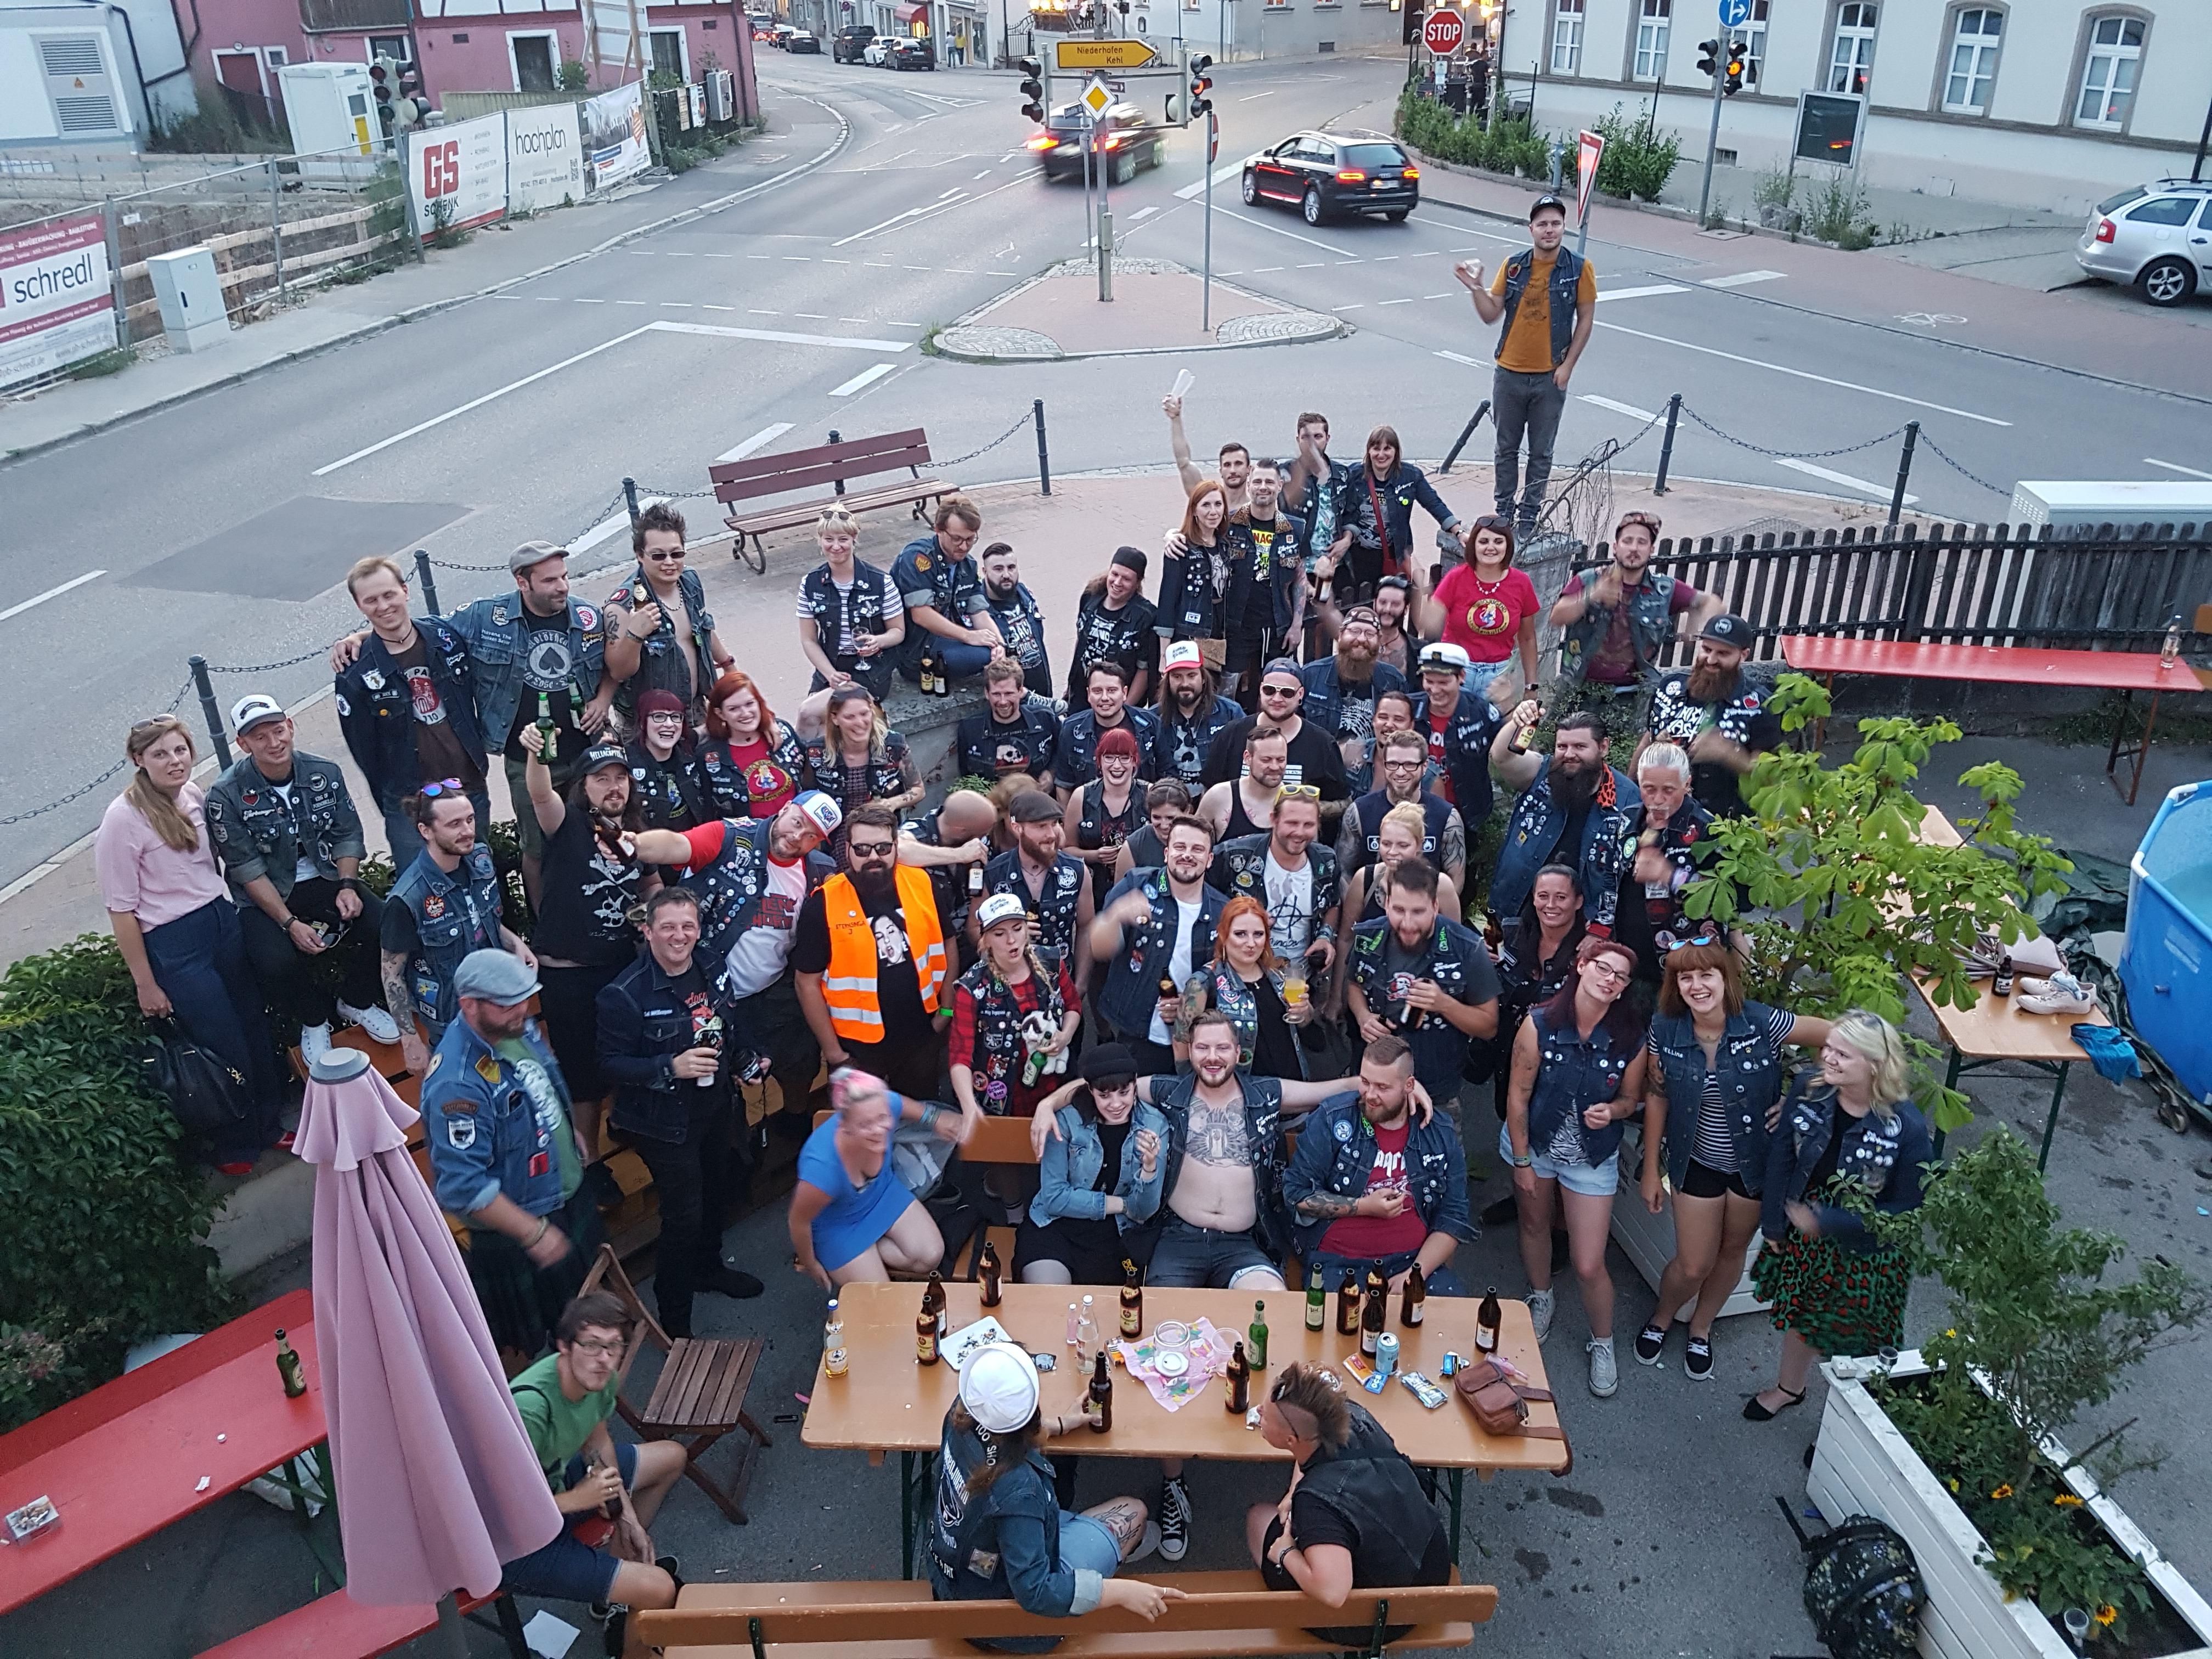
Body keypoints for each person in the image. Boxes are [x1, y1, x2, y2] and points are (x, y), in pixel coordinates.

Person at [98, 715, 286, 1173]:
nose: (174, 761)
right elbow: (121, 910)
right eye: (160, 754)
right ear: (139, 760)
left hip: (220, 923)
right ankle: (235, 1143)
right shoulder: (122, 819)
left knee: (253, 1030)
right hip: (174, 943)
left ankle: (269, 1124)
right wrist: (146, 983)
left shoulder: (195, 794)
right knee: (220, 1044)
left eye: (180, 750)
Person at [1638, 938, 1831, 1383]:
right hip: (1696, 1160)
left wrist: (1804, 1097)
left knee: (1732, 1252)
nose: (1697, 985)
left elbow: (1838, 1039)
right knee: (1693, 1263)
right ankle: (1663, 1317)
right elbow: (1658, 1096)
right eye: (1686, 977)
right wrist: (1650, 1168)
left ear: (1725, 979)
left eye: (1707, 974)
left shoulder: (1763, 1022)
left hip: (1756, 1166)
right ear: (1676, 985)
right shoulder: (1665, 1029)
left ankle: (1701, 1328)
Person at [1747, 1012, 1932, 1421]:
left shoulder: (1907, 1128)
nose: (1827, 1058)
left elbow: (1907, 1211)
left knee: (1855, 1345)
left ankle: (1840, 1427)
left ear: (1875, 1065)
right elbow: (1781, 1155)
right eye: (1829, 1047)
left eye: (1842, 1054)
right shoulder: (1808, 1088)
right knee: (1802, 1318)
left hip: (1866, 1250)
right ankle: (1789, 1389)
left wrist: (1829, 1222)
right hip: (1808, 1228)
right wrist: (1774, 1222)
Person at [927, 1341, 1177, 1643]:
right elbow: (1035, 1591)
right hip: (1001, 1621)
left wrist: (1059, 1425)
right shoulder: (1019, 1491)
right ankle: (1106, 1551)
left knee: (1060, 1524)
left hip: (953, 1580)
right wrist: (1119, 1592)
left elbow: (996, 1430)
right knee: (1134, 1513)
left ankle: (1083, 1535)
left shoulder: (962, 1413)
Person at [596, 889, 763, 1335]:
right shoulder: (623, 994)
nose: (679, 936)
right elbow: (609, 1064)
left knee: (717, 1189)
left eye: (688, 926)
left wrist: (748, 1057)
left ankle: (709, 1269)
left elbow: (731, 1018)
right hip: (661, 1121)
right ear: (647, 931)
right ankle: (675, 1324)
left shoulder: (712, 964)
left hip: (715, 1105)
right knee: (684, 1215)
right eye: (668, 926)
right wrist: (670, 1067)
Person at [634, 793, 843, 1139]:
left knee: (799, 1060)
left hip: (770, 990)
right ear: (786, 808)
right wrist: (634, 846)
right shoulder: (732, 836)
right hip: (701, 991)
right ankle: (731, 1145)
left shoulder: (819, 871)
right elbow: (677, 845)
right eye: (798, 822)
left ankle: (794, 1119)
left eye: (812, 835)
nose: (798, 836)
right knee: (713, 1081)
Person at [420, 948, 596, 1357]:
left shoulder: (516, 1026)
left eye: (524, 997)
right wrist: (533, 1233)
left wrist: (566, 1135)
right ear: (470, 1004)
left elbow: (542, 1085)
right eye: (508, 1004)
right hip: (523, 1231)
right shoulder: (456, 1085)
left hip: (565, 1198)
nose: (522, 1009)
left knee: (588, 1322)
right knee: (540, 1350)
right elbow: (463, 1188)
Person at [204, 694, 393, 1067]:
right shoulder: (226, 794)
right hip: (268, 893)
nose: (274, 743)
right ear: (243, 744)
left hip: (325, 877)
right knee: (273, 962)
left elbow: (348, 835)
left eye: (278, 731)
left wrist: (348, 886)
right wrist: (288, 923)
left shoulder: (324, 772)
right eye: (260, 738)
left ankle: (356, 999)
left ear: (290, 726)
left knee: (388, 924)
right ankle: (314, 1019)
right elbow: (245, 868)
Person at [1501, 935, 1649, 1398]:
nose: (1611, 980)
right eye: (1603, 969)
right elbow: (1518, 1096)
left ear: (1625, 989)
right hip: (1538, 1144)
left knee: (1588, 1263)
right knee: (1534, 1226)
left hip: (1591, 1156)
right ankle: (1541, 1295)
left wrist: (1615, 1112)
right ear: (1582, 966)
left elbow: (1631, 1098)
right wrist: (1522, 1161)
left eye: (1620, 977)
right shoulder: (1540, 1023)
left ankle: (1602, 1341)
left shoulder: (1631, 1038)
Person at [501, 1293, 684, 1632]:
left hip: (556, 1488)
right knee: (661, 1589)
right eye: (591, 1345)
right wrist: (578, 1500)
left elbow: (596, 1440)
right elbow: (500, 1510)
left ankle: (611, 1587)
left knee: (673, 1458)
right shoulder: (530, 1409)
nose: (603, 1359)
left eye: (614, 1347)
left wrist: (625, 1515)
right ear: (565, 1347)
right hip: (516, 1544)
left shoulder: (599, 1376)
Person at [524, 736, 648, 1212]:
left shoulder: (636, 830)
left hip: (618, 966)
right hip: (569, 975)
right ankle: (590, 1165)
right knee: (583, 1077)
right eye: (602, 779)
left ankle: (625, 1127)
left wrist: (652, 915)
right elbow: (540, 794)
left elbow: (651, 883)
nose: (613, 787)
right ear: (584, 786)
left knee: (626, 1055)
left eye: (620, 777)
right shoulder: (568, 823)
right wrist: (537, 755)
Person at [1248, 1363, 1452, 1646]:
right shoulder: (1348, 1415)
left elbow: (1333, 1592)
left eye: (1265, 1416)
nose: (1258, 1412)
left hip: (1386, 1616)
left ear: (1291, 1440)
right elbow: (1308, 1452)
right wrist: (1293, 1491)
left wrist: (1286, 1554)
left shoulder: (1316, 1503)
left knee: (1259, 1518)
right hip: (1432, 1563)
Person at [1284, 1032, 1471, 1299]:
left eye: (1383, 1088)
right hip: (1339, 1261)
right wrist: (1363, 1207)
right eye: (1365, 1082)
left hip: (1414, 1261)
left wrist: (1416, 1273)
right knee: (1342, 1331)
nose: (1370, 1095)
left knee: (1452, 1329)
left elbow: (1454, 1215)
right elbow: (1296, 1193)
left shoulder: (1437, 1130)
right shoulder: (1332, 1119)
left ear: (1409, 1086)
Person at [1455, 194, 1598, 541]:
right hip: (1509, 373)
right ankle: (1504, 511)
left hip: (1550, 377)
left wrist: (1567, 368)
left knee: (1541, 451)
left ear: (1564, 228)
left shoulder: (1579, 269)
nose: (1549, 230)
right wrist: (1475, 286)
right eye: (1543, 224)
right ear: (1531, 229)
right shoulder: (1515, 266)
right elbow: (1491, 314)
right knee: (1506, 448)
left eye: (1556, 224)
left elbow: (1586, 319)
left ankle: (1530, 515)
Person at [332, 555, 490, 861]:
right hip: (409, 804)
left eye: (389, 594)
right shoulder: (355, 674)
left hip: (467, 788)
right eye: (372, 600)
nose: (383, 606)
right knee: (422, 893)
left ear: (405, 590)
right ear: (359, 605)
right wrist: (393, 801)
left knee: (479, 875)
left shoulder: (447, 638)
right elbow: (365, 752)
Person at [793, 804, 950, 1103]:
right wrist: (834, 1053)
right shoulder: (822, 904)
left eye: (882, 847)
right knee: (862, 1130)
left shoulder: (923, 883)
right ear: (848, 850)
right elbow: (806, 983)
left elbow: (949, 944)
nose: (874, 857)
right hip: (858, 1049)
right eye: (863, 849)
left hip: (922, 1034)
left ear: (895, 847)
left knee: (921, 1123)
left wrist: (946, 1013)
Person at [382, 786, 533, 1077]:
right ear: (426, 830)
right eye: (454, 824)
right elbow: (391, 974)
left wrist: (515, 944)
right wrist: (409, 1038)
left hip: (502, 1006)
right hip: (454, 1024)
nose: (467, 831)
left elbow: (483, 920)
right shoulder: (408, 899)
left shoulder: (481, 859)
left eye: (470, 820)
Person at [1345, 858, 1498, 1115]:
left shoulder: (1467, 948)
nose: (1407, 923)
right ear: (1386, 904)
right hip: (1374, 1088)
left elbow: (1489, 1026)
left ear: (1435, 906)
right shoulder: (1367, 937)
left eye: (1418, 912)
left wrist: (1444, 1004)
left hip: (1437, 1091)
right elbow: (1353, 984)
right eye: (1399, 910)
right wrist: (1363, 1016)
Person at [789, 1068, 956, 1287]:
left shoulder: (883, 1104)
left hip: (883, 1194)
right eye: (865, 1124)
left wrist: (936, 1119)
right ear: (845, 1126)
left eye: (882, 1118)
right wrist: (811, 1264)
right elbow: (798, 1220)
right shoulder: (822, 1168)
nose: (879, 1130)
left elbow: (901, 1104)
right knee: (880, 1299)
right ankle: (856, 1256)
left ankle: (869, 1253)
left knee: (930, 1256)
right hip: (839, 1225)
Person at [1089, 815, 1227, 1073]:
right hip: (1133, 1028)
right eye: (1180, 847)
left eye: (1198, 849)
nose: (1187, 855)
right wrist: (1115, 915)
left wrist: (1189, 1004)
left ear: (1209, 860)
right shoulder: (1137, 883)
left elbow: (1224, 980)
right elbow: (1099, 949)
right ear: (1166, 853)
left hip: (1191, 1036)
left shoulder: (1223, 912)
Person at [1489, 706, 1641, 936]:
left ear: (1603, 747)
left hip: (1583, 927)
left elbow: (1623, 880)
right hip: (1515, 911)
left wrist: (1600, 929)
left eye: (1580, 746)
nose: (1569, 754)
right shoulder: (1541, 771)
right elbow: (1502, 756)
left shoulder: (1628, 800)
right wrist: (1518, 721)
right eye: (1562, 746)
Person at [1020, 1046, 1167, 1284]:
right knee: (1049, 1299)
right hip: (1055, 1227)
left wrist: (1150, 1169)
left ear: (1135, 1085)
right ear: (1090, 1091)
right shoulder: (1067, 1121)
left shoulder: (1153, 1124)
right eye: (1104, 1095)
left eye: (1124, 1092)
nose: (1116, 1104)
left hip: (1113, 1235)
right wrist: (1121, 1204)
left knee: (1106, 1307)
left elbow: (1144, 1211)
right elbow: (1054, 1198)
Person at [1549, 511, 1717, 707]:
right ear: (1615, 547)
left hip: (1633, 695)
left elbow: (1713, 603)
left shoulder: (1663, 590)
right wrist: (1592, 596)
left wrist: (1695, 620)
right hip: (1579, 690)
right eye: (1627, 541)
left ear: (1651, 549)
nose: (1634, 548)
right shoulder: (1590, 580)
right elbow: (1557, 617)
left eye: (1642, 542)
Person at [951, 891, 1083, 1125]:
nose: (1011, 940)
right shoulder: (972, 988)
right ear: (985, 940)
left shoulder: (1052, 962)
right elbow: (960, 1055)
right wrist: (969, 1104)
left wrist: (1065, 1036)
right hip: (1001, 1093)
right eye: (1000, 934)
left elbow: (1073, 1005)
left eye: (1017, 929)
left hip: (1052, 1082)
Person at [1638, 612, 1781, 819]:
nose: (1711, 660)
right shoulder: (1670, 687)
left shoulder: (1760, 705)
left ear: (1744, 655)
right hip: (1661, 812)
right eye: (1706, 650)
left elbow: (1769, 778)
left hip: (1722, 824)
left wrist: (1728, 754)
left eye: (1723, 654)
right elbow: (1645, 743)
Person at [1613, 743, 1730, 996]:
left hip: (1688, 966)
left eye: (1668, 790)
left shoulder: (1708, 829)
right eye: (1649, 789)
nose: (1658, 799)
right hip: (1629, 960)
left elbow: (1730, 899)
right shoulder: (1627, 820)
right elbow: (1604, 879)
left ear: (1687, 784)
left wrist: (1670, 875)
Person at [605, 505, 731, 734]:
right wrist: (635, 635)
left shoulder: (690, 581)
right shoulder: (622, 607)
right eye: (659, 555)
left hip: (696, 710)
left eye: (677, 554)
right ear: (640, 555)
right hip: (649, 725)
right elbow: (619, 672)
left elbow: (704, 627)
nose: (669, 562)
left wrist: (730, 668)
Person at [1320, 425, 1463, 616]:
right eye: (1376, 448)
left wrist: (1458, 532)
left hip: (1393, 555)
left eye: (1387, 448)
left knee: (1390, 609)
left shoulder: (1410, 477)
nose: (1381, 454)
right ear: (1368, 451)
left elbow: (1434, 504)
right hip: (1358, 555)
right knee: (1357, 607)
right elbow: (1341, 510)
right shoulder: (1355, 475)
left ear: (1396, 451)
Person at [1209, 783, 1341, 982]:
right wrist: (1244, 918)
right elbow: (1202, 897)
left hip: (1300, 981)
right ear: (1273, 820)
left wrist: (1325, 936)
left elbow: (1333, 903)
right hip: (1242, 979)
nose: (1299, 832)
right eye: (1292, 823)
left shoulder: (1326, 860)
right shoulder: (1234, 855)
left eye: (1308, 825)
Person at [1190, 895, 1314, 1081]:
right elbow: (1183, 1044)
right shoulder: (1204, 982)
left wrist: (1305, 1012)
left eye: (1258, 934)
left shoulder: (1278, 974)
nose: (1251, 943)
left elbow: (1305, 1028)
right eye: (1240, 934)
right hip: (1242, 1096)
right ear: (1224, 935)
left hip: (1294, 1090)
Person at [975, 791, 1094, 982]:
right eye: (1041, 826)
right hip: (1008, 985)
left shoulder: (1077, 871)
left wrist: (1080, 984)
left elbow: (1087, 927)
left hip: (1062, 982)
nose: (1051, 834)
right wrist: (1005, 937)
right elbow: (974, 927)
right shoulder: (994, 873)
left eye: (1055, 824)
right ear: (1017, 828)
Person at [1424, 516, 1539, 710]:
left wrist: (1531, 686)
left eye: (1498, 542)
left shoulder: (1521, 583)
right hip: (1457, 670)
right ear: (1473, 546)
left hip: (1498, 676)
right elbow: (1429, 623)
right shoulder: (1456, 578)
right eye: (1484, 542)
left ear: (1508, 546)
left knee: (1495, 735)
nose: (1491, 548)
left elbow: (1528, 639)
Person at [895, 495, 1007, 687]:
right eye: (957, 539)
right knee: (985, 655)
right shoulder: (917, 559)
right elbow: (921, 615)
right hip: (920, 650)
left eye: (971, 539)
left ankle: (1021, 697)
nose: (964, 547)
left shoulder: (968, 565)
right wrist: (970, 636)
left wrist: (999, 645)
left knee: (1009, 637)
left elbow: (978, 612)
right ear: (938, 530)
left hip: (951, 637)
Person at [797, 503, 905, 701]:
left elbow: (898, 632)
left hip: (872, 671)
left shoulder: (881, 582)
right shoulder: (810, 583)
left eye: (843, 540)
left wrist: (878, 641)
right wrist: (830, 674)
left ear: (854, 540)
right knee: (807, 714)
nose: (836, 547)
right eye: (829, 539)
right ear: (819, 541)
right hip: (831, 667)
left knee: (839, 708)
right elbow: (809, 640)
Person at [1200, 661, 1347, 804]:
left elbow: (1341, 800)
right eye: (1270, 691)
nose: (1277, 699)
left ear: (1301, 694)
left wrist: (1307, 811)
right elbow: (1209, 789)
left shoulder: (1322, 743)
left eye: (1287, 693)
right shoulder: (1232, 734)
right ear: (1261, 689)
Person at [1337, 729, 1465, 892]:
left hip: (1424, 911)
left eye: (1410, 765)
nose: (1401, 772)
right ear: (1384, 764)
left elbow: (1456, 881)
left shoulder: (1447, 817)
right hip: (1372, 913)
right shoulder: (1360, 812)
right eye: (1393, 764)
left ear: (1425, 766)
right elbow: (1344, 872)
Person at [1220, 457, 1306, 697]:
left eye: (1269, 481)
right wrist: (1173, 536)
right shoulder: (1228, 523)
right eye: (1257, 481)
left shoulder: (1295, 528)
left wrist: (1297, 624)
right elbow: (1196, 535)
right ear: (1248, 485)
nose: (1263, 487)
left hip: (1278, 625)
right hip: (1238, 623)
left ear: (1280, 485)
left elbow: (1300, 577)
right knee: (1229, 687)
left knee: (1279, 684)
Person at [805, 686, 922, 864]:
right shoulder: (816, 752)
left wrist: (891, 803)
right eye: (850, 717)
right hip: (835, 835)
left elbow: (918, 789)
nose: (860, 722)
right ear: (835, 719)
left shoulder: (894, 746)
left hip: (881, 831)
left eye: (864, 714)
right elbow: (806, 795)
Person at [1409, 642, 1504, 832]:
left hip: (1469, 817)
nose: (1434, 690)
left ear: (1461, 677)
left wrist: (1512, 716)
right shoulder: (1409, 709)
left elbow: (1514, 752)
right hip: (1414, 814)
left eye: (1443, 683)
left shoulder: (1482, 712)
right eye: (1429, 681)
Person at [695, 670, 810, 822]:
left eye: (750, 704)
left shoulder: (783, 733)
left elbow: (810, 776)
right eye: (733, 709)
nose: (745, 713)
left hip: (797, 831)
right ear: (721, 714)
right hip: (747, 840)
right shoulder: (709, 755)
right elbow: (707, 809)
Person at [1299, 605, 1405, 768]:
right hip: (1318, 769)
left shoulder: (1393, 681)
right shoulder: (1311, 675)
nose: (1362, 639)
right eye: (1354, 631)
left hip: (1371, 773)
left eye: (1370, 634)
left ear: (1379, 640)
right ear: (1340, 635)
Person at [900, 788, 999, 956]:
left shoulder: (975, 834)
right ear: (961, 830)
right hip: (929, 942)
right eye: (981, 834)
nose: (982, 838)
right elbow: (898, 850)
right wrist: (959, 855)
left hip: (968, 936)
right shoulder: (918, 831)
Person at [1340, 802, 1466, 932]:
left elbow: (1455, 941)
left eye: (1403, 845)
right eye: (1386, 844)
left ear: (1419, 845)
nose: (1393, 851)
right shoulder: (1364, 879)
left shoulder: (1441, 886)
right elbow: (1346, 937)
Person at [1052, 663, 1160, 803]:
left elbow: (1166, 776)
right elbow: (1063, 785)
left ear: (1124, 693)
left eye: (1112, 690)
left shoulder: (1150, 724)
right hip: (1089, 816)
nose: (1104, 698)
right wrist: (1068, 822)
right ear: (1089, 694)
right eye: (1097, 691)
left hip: (1142, 814)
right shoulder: (1071, 729)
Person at [1065, 548, 1159, 708]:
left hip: (1116, 702)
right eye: (1115, 574)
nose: (1117, 583)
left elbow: (1144, 669)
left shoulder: (1146, 616)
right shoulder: (1090, 597)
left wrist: (1124, 709)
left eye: (1126, 579)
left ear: (1138, 583)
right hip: (1082, 694)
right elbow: (1081, 642)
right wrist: (1070, 688)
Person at [1155, 479, 1232, 665]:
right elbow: (1167, 600)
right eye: (1206, 505)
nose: (1213, 512)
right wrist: (1164, 654)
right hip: (1188, 634)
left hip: (1219, 633)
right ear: (1194, 510)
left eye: (1218, 504)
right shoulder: (1180, 547)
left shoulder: (1226, 545)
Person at [1066, 726, 1144, 907]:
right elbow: (1067, 850)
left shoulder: (1151, 795)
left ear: (1135, 762)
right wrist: (1096, 856)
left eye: (1125, 758)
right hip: (1092, 892)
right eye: (1109, 757)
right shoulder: (1081, 796)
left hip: (1138, 892)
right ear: (1099, 761)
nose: (1117, 766)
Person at [1152, 640, 1244, 795]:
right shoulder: (1153, 718)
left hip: (1218, 799)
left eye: (1191, 675)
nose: (1185, 683)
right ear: (1167, 681)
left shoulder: (1231, 713)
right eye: (1177, 677)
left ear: (1203, 678)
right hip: (1169, 802)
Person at [957, 659, 1061, 787]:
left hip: (1038, 800)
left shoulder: (1045, 718)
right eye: (996, 694)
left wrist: (1051, 773)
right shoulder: (970, 729)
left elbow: (1062, 753)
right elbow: (966, 777)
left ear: (1021, 691)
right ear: (987, 693)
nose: (1003, 701)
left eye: (1008, 693)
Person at [627, 689, 708, 837]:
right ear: (643, 723)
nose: (669, 724)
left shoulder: (688, 748)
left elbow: (715, 725)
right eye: (659, 717)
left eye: (676, 717)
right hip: (651, 851)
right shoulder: (625, 760)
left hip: (694, 848)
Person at [980, 542, 1054, 698]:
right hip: (1008, 699)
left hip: (1042, 690)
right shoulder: (978, 611)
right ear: (984, 572)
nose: (1007, 574)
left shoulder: (1024, 594)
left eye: (1011, 568)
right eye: (998, 569)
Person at [1198, 724, 1291, 845]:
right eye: (1266, 760)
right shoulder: (1218, 797)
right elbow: (1193, 845)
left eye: (1280, 760)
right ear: (1248, 758)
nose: (1274, 767)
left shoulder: (1297, 799)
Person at [1165, 392, 1249, 512]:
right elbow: (1184, 463)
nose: (1233, 470)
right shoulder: (1207, 500)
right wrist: (1176, 419)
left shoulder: (1258, 511)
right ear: (1221, 470)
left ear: (1249, 469)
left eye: (1238, 463)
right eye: (1227, 465)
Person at [1341, 689, 1424, 799]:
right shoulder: (1349, 752)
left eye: (1398, 720)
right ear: (1374, 721)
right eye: (1383, 717)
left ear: (1411, 726)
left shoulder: (1428, 775)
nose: (1389, 724)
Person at [1112, 780, 1194, 884]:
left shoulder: (1202, 840)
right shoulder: (1134, 846)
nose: (1164, 825)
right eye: (1156, 817)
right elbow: (1120, 895)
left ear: (1187, 811)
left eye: (1171, 818)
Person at [1370, 578, 1424, 681]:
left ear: (1406, 609)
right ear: (1374, 604)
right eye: (1383, 602)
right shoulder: (1358, 642)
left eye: (1395, 604)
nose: (1387, 609)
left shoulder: (1419, 651)